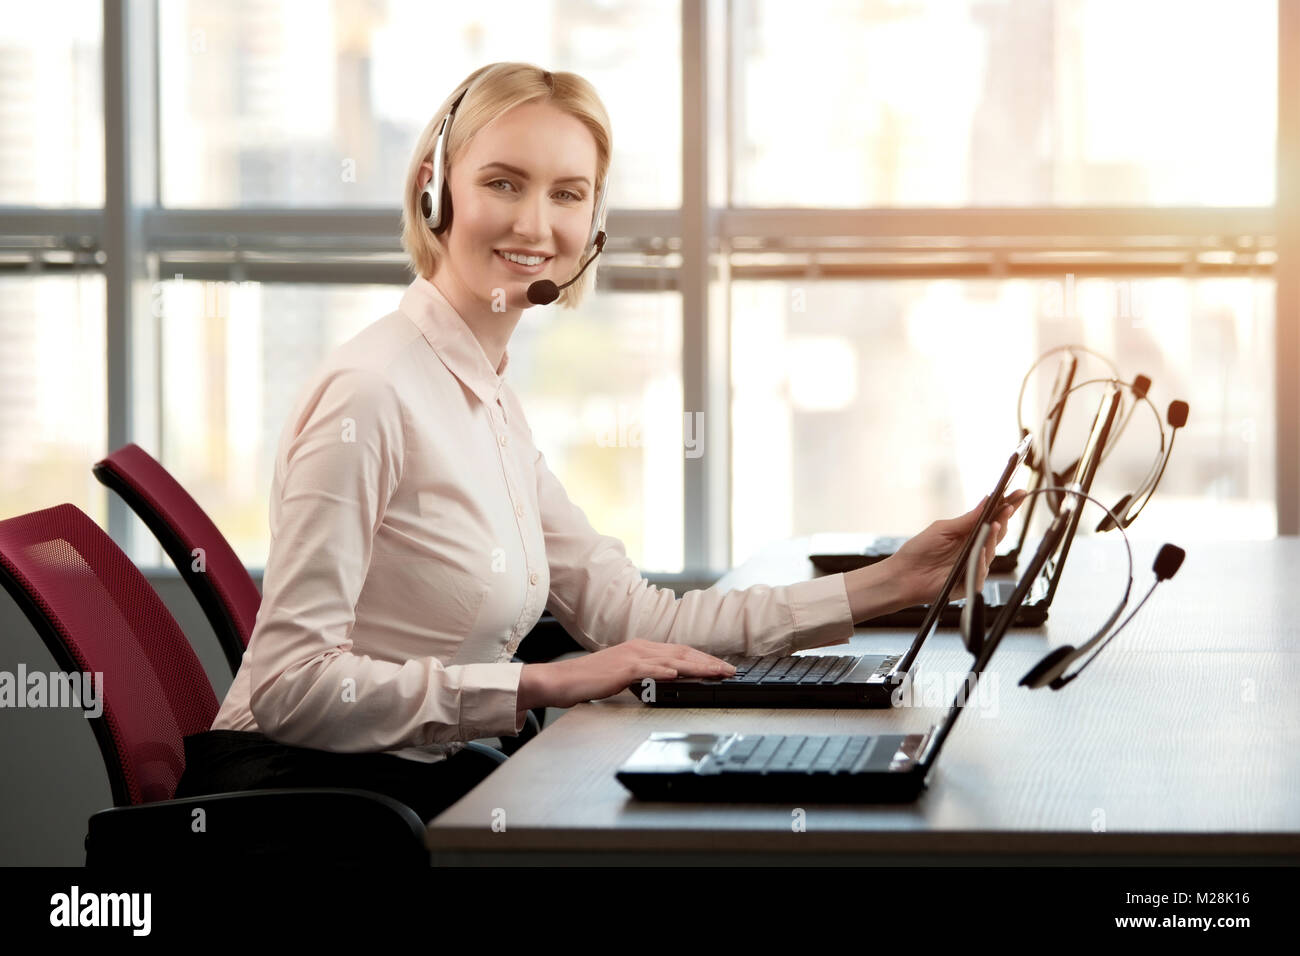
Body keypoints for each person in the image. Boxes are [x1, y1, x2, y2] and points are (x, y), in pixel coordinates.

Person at [174, 62, 1025, 824]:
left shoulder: (483, 393)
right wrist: (539, 683)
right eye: (503, 183)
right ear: (436, 193)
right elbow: (291, 687)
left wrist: (889, 586)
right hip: (298, 808)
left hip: (399, 784)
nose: (536, 224)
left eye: (568, 193)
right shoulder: (373, 390)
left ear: (594, 225)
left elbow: (637, 616)